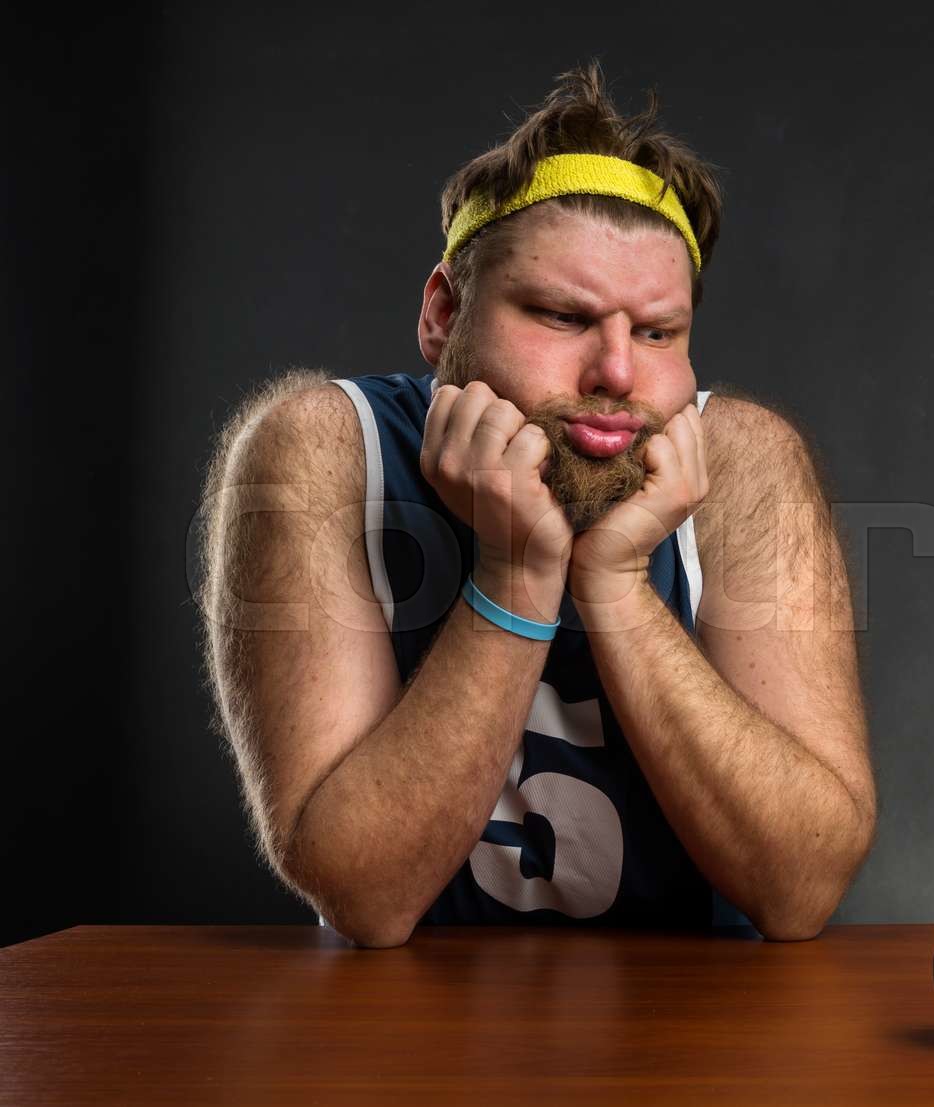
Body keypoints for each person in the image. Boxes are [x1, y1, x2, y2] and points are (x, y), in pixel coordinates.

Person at [195, 62, 876, 947]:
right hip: (394, 1047)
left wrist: (619, 582)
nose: (618, 374)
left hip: (698, 1048)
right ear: (444, 313)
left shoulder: (742, 460)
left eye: (657, 332)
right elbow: (366, 893)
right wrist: (516, 575)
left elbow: (801, 885)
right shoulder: (319, 449)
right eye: (561, 315)